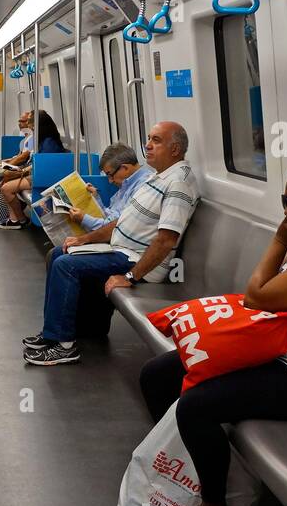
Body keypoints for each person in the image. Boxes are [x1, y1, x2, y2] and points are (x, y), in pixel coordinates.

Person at [138, 157, 287, 506]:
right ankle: (197, 475)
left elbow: (257, 297)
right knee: (158, 374)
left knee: (197, 406)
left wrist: (279, 241)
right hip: (284, 358)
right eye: (284, 200)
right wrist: (286, 247)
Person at [23, 121, 197, 365]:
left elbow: (166, 240)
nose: (147, 145)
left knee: (66, 265)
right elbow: (118, 224)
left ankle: (63, 346)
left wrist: (131, 277)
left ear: (176, 149)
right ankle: (57, 333)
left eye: (156, 140)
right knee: (58, 254)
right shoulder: (157, 178)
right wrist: (84, 240)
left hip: (137, 259)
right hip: (122, 248)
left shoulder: (177, 183)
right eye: (148, 138)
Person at [52, 142, 150, 256]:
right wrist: (96, 199)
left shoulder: (142, 187)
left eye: (110, 175)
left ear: (124, 168)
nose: (110, 181)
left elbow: (114, 226)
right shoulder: (126, 184)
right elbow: (111, 216)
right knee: (56, 252)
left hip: (124, 247)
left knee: (61, 260)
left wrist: (83, 219)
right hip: (111, 237)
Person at [0, 110, 65, 228]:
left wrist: (23, 172)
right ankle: (15, 219)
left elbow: (43, 167)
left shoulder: (49, 144)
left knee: (6, 189)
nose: (30, 128)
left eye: (32, 125)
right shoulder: (43, 140)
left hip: (44, 177)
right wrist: (22, 171)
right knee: (3, 183)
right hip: (39, 174)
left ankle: (20, 220)